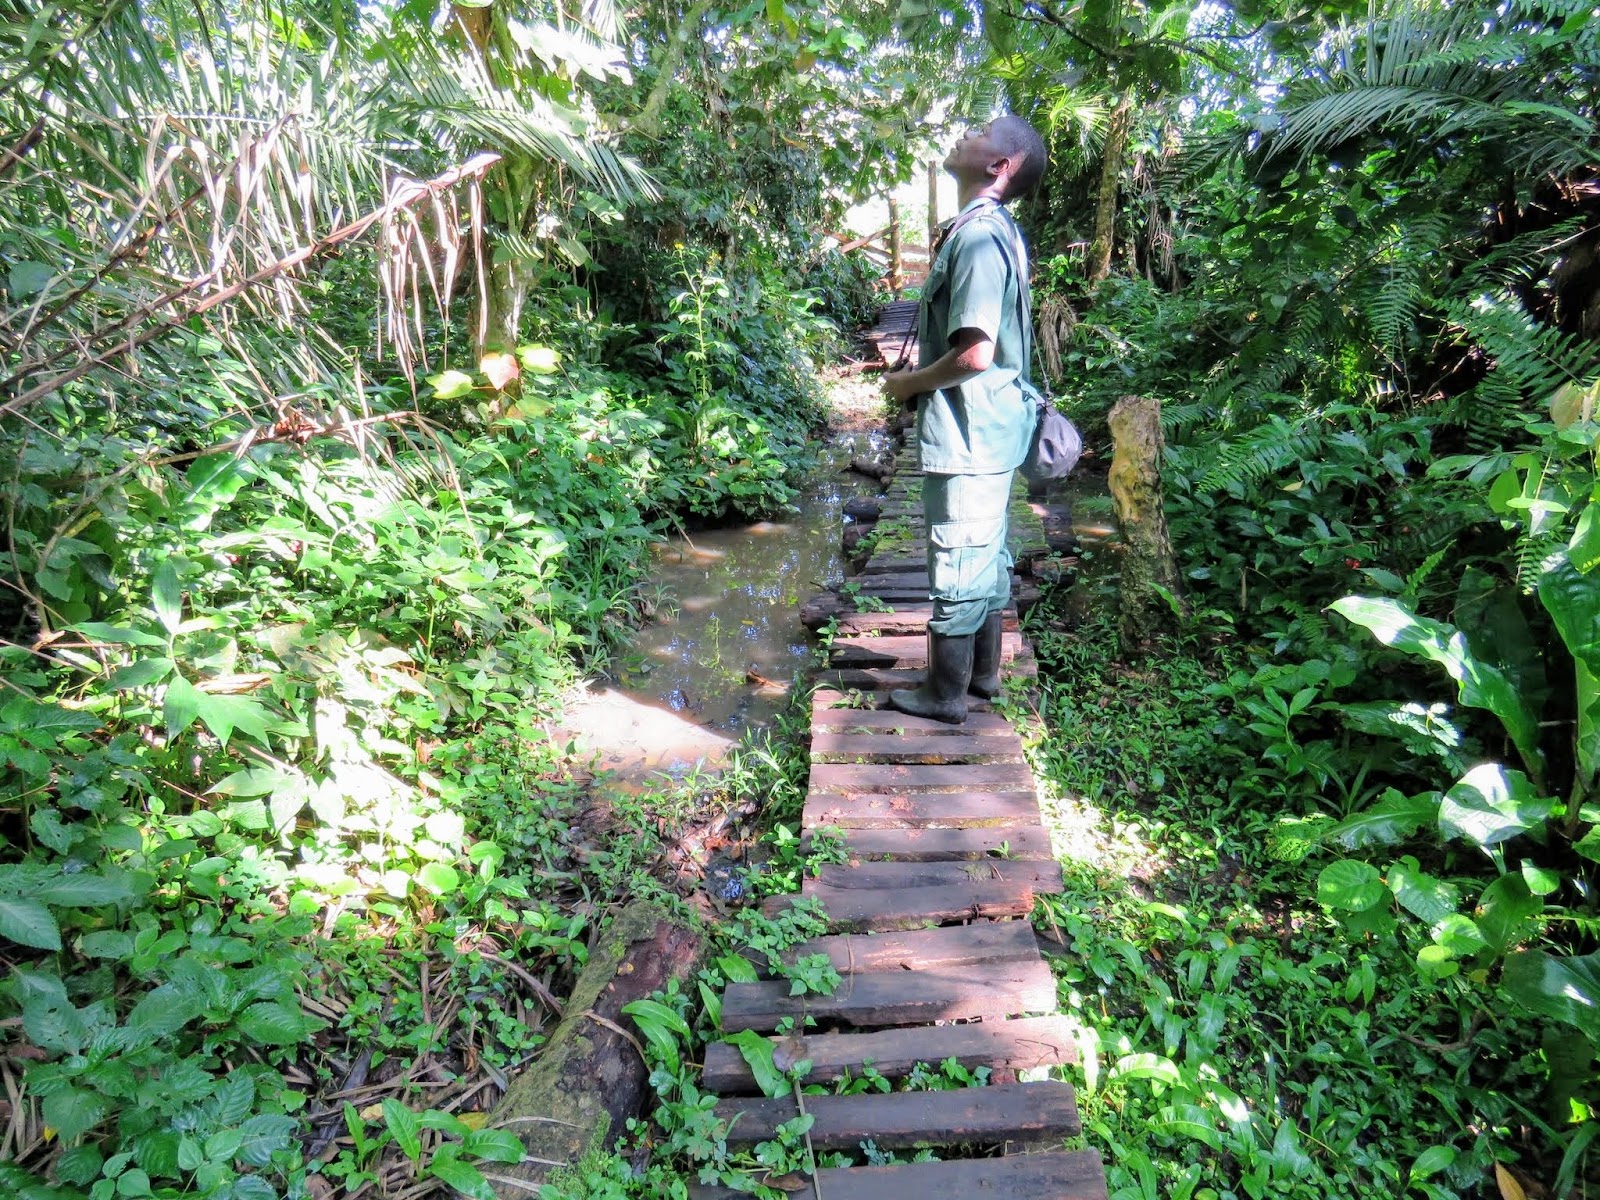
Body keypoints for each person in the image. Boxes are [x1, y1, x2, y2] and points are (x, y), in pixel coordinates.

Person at [881, 114, 1047, 724]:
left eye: (981, 132)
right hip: (994, 430)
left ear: (1001, 166)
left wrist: (905, 384)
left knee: (959, 556)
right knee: (986, 553)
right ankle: (982, 676)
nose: (964, 134)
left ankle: (945, 694)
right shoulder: (995, 230)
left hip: (969, 433)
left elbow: (974, 354)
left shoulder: (978, 238)